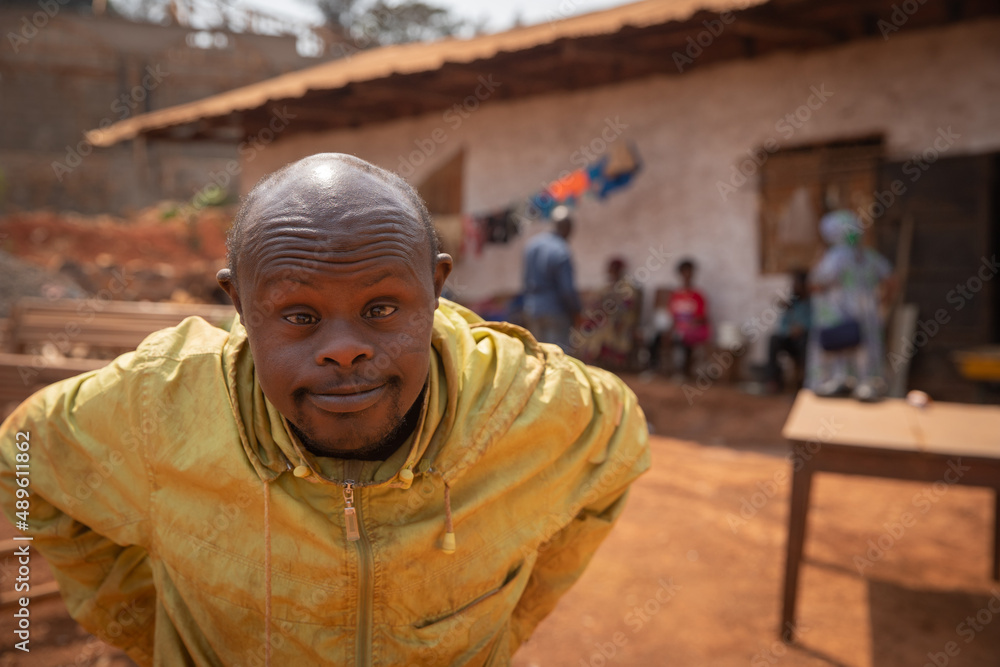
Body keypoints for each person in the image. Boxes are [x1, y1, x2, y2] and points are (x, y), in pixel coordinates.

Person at [0, 154, 650, 666]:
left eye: (382, 308)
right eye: (298, 315)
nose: (343, 351)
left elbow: (620, 444)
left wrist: (508, 623)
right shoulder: (162, 401)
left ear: (436, 287)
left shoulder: (526, 402)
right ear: (240, 304)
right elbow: (21, 455)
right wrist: (155, 628)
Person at [805, 209, 894, 400]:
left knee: (839, 345)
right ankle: (867, 385)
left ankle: (838, 381)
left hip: (839, 312)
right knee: (865, 348)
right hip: (867, 313)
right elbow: (891, 279)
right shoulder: (869, 255)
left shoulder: (834, 257)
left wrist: (818, 261)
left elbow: (816, 284)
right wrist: (883, 303)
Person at [521, 205, 581, 351]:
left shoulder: (532, 246)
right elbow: (567, 290)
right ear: (567, 228)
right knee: (557, 359)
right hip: (555, 313)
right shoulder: (562, 250)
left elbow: (525, 281)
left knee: (538, 358)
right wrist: (577, 312)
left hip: (532, 309)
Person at [577, 257, 640, 369]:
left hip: (621, 322)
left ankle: (609, 361)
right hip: (604, 320)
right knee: (589, 326)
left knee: (606, 328)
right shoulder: (606, 287)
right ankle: (592, 359)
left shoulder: (627, 287)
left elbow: (627, 307)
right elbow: (594, 302)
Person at [764, 269, 811, 393]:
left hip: (804, 341)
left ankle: (804, 382)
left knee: (806, 340)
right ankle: (773, 381)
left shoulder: (812, 303)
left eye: (798, 283)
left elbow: (816, 323)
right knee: (774, 339)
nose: (795, 286)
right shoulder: (791, 303)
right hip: (790, 340)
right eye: (794, 283)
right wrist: (789, 331)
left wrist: (802, 328)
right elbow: (782, 325)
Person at [667, 258, 710, 378]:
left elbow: (701, 318)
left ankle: (684, 371)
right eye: (684, 272)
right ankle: (662, 370)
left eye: (689, 272)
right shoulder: (675, 295)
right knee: (661, 337)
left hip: (695, 330)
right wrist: (671, 330)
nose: (687, 275)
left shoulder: (698, 296)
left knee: (683, 337)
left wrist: (685, 327)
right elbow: (673, 318)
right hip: (679, 329)